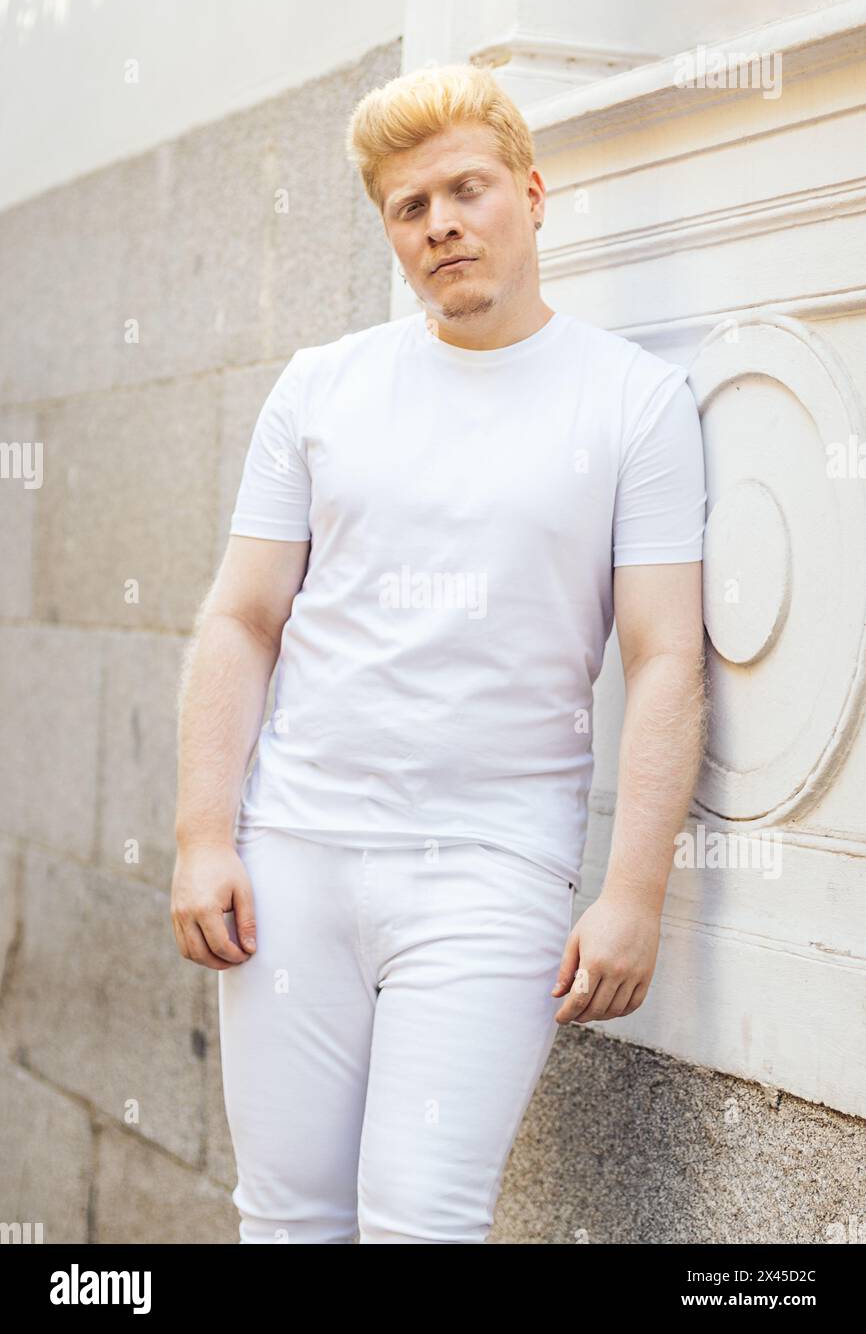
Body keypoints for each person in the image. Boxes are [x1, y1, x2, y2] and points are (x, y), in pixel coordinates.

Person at [171, 62, 708, 1244]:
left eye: (464, 190)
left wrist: (631, 894)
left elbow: (665, 656)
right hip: (293, 855)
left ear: (529, 190)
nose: (440, 224)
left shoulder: (633, 400)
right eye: (408, 208)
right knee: (286, 1216)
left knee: (423, 1217)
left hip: (489, 868)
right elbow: (240, 618)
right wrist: (204, 832)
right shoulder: (322, 387)